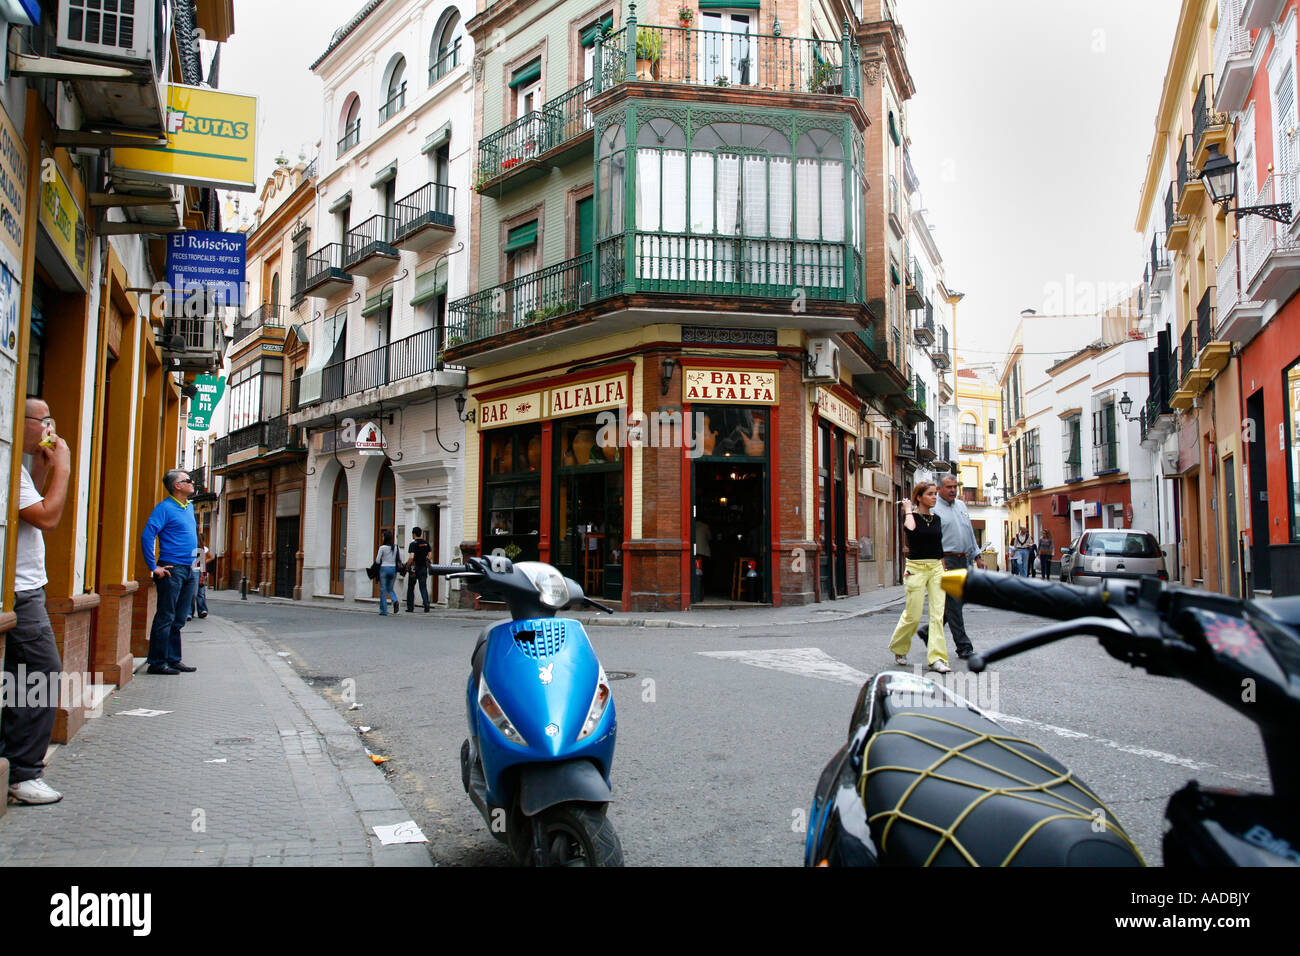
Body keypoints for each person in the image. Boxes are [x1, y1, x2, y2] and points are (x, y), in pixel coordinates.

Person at [3, 399, 71, 804]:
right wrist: (63, 464)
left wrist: (44, 467)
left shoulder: (17, 463)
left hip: (27, 587)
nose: (50, 427)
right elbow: (46, 516)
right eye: (44, 420)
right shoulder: (5, 462)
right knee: (41, 673)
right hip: (19, 590)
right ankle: (24, 773)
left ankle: (15, 765)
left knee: (23, 678)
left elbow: (32, 503)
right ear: (23, 421)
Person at [914, 474, 985, 660]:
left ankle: (927, 632)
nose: (953, 490)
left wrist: (977, 556)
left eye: (955, 486)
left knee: (956, 602)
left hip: (964, 560)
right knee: (954, 604)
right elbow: (931, 537)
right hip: (947, 560)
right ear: (940, 489)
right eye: (949, 487)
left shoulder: (961, 506)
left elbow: (969, 531)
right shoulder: (934, 509)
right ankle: (964, 647)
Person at [141, 469, 201, 675]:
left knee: (180, 617)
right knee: (166, 615)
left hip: (189, 569)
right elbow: (148, 535)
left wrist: (198, 565)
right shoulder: (164, 508)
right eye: (188, 480)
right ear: (177, 486)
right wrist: (153, 567)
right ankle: (157, 663)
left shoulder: (189, 507)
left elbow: (194, 538)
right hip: (171, 569)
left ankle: (173, 659)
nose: (193, 482)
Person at [888, 481, 951, 674]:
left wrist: (944, 568)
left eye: (935, 493)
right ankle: (899, 648)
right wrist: (908, 509)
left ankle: (937, 658)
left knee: (937, 614)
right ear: (919, 497)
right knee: (913, 614)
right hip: (915, 568)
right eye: (930, 494)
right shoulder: (911, 517)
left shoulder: (937, 519)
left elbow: (939, 547)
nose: (934, 497)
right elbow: (911, 530)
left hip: (935, 568)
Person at [406, 527, 432, 613]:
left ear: (413, 534)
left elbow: (411, 557)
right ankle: (426, 604)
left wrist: (407, 566)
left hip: (414, 568)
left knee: (411, 587)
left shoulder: (413, 544)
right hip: (423, 568)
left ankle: (410, 607)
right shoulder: (426, 544)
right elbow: (429, 556)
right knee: (423, 587)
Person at [376, 530, 400, 616]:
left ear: (385, 538)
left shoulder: (382, 548)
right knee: (390, 588)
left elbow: (377, 561)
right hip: (393, 569)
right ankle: (395, 600)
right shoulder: (396, 547)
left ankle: (383, 610)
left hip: (384, 569)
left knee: (382, 590)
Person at [191, 534, 213, 620]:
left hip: (198, 571)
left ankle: (202, 610)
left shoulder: (202, 549)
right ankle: (190, 612)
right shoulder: (190, 547)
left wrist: (202, 571)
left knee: (200, 592)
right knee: (193, 593)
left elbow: (208, 559)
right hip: (193, 570)